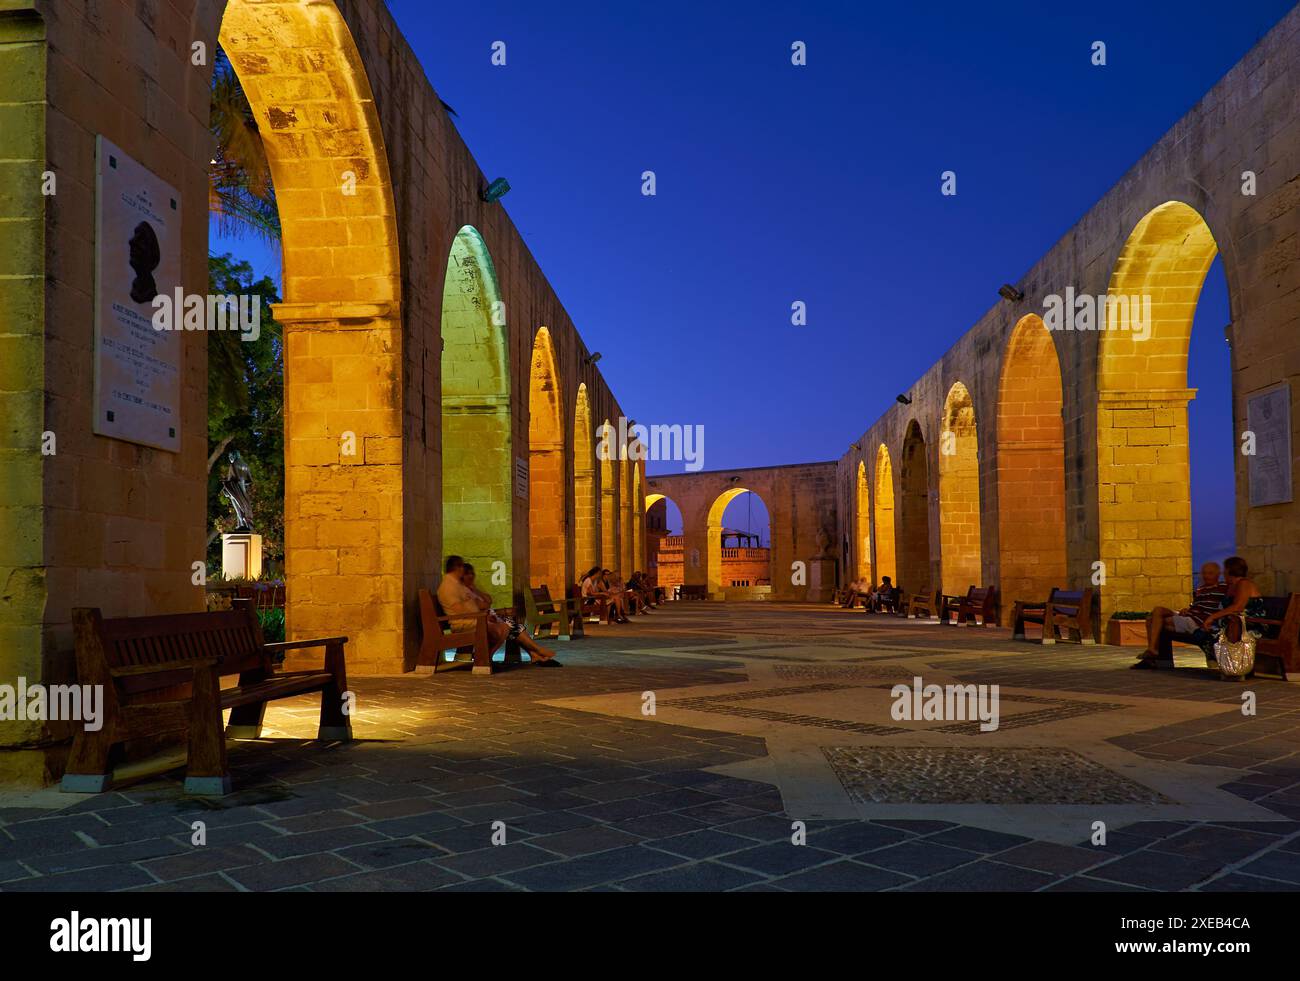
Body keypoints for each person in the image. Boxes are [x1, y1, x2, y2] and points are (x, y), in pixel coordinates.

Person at [436, 555, 561, 666]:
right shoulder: (449, 586)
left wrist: (482, 609)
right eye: (462, 567)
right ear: (457, 568)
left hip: (476, 619)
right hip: (466, 623)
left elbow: (484, 601)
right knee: (506, 626)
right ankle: (487, 657)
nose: (465, 572)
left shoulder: (457, 585)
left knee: (510, 626)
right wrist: (482, 615)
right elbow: (459, 610)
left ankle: (534, 653)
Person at [1133, 561, 1227, 669]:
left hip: (1197, 622)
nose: (1206, 576)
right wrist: (1187, 610)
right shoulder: (1201, 589)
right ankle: (1152, 650)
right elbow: (1196, 606)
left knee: (1156, 622)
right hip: (1189, 616)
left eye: (1210, 573)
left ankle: (1152, 653)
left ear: (1218, 574)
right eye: (1204, 573)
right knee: (1157, 611)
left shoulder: (1223, 587)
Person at [1196, 556, 1264, 678]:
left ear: (1229, 570)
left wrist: (1213, 617)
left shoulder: (1244, 584)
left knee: (1231, 622)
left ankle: (1235, 666)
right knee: (1204, 631)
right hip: (1233, 621)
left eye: (1225, 569)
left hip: (1249, 623)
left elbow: (1238, 606)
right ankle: (1222, 663)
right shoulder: (1232, 585)